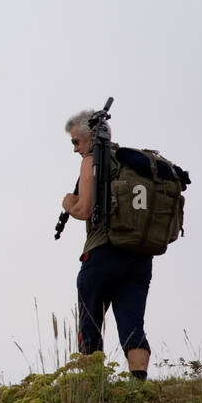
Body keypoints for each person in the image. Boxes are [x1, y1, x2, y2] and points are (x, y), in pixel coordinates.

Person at [62, 109, 152, 381]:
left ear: (91, 138)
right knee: (133, 323)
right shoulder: (135, 164)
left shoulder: (92, 161)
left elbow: (84, 209)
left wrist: (68, 205)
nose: (76, 149)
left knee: (90, 321)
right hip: (140, 256)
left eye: (76, 141)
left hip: (102, 253)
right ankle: (139, 385)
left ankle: (92, 386)